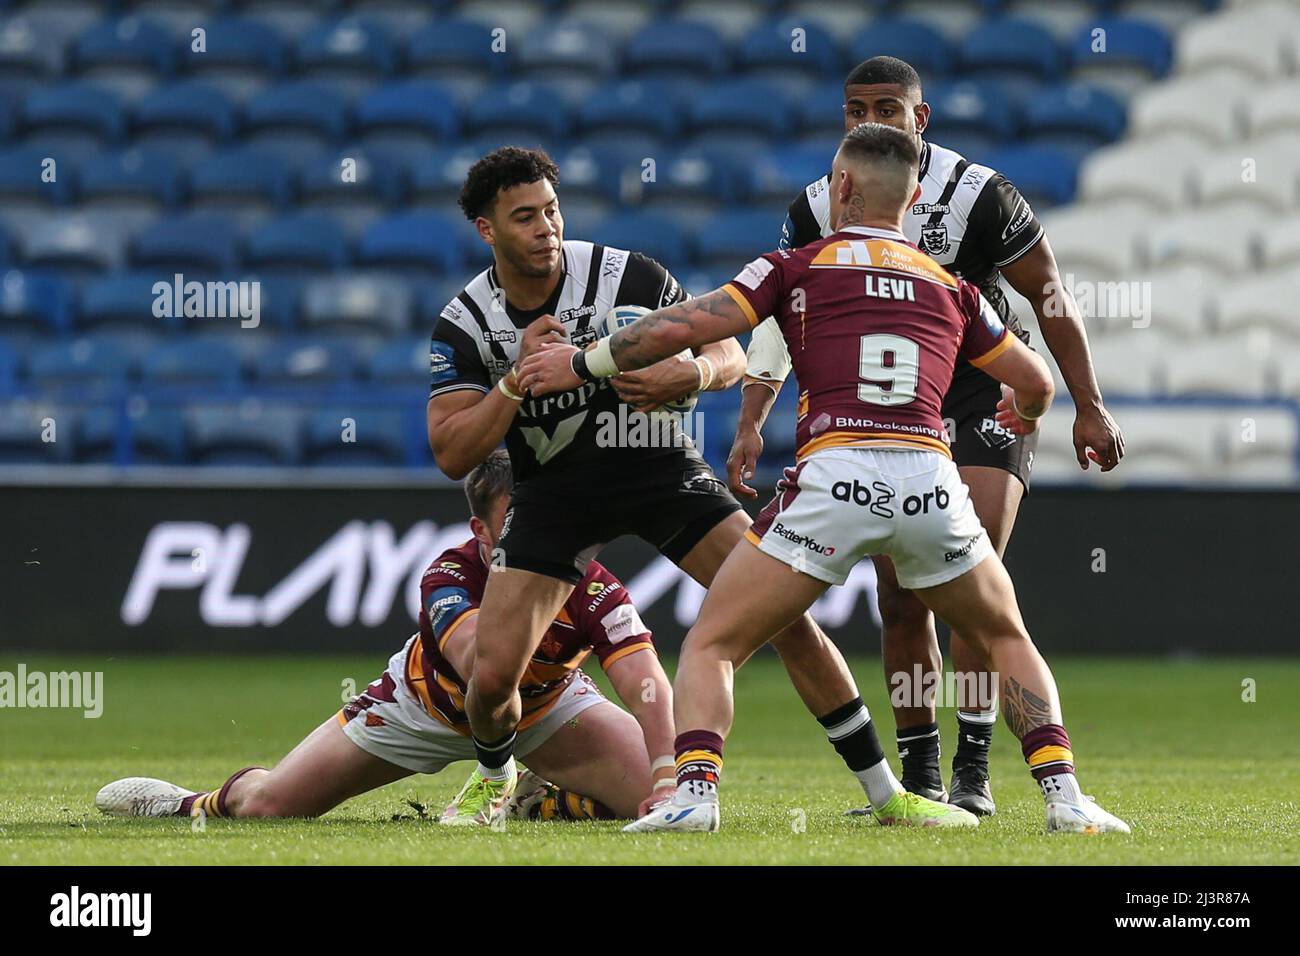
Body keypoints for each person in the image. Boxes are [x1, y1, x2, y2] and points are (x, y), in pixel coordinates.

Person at [520, 123, 1130, 836]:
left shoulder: (796, 265)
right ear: (911, 199)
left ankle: (696, 794)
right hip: (932, 481)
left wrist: (585, 362)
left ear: (842, 187)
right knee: (1003, 632)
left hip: (836, 478)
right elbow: (1034, 381)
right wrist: (1023, 411)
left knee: (715, 642)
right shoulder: (952, 286)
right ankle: (1064, 799)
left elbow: (678, 328)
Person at [429, 146, 954, 828]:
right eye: (524, 217)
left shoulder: (625, 274)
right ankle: (497, 777)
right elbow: (450, 449)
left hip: (660, 471)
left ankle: (887, 794)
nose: (545, 229)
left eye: (551, 211)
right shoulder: (467, 321)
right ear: (487, 230)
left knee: (786, 619)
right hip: (554, 492)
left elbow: (728, 348)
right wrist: (512, 380)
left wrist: (695, 376)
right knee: (493, 677)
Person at [727, 56, 1125, 815]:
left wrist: (1088, 403)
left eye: (887, 106)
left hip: (985, 388)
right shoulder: (820, 203)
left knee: (969, 584)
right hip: (884, 397)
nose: (870, 120)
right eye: (855, 109)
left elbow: (1048, 297)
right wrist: (752, 419)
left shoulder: (981, 195)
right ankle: (923, 780)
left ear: (922, 117)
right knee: (901, 599)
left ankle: (974, 772)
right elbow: (779, 313)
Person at [95, 451, 677, 823]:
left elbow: (645, 679)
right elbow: (482, 670)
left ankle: (540, 799)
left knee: (654, 807)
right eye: (516, 517)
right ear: (481, 530)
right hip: (422, 707)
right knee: (270, 809)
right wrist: (526, 593)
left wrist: (664, 774)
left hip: (547, 708)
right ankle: (186, 803)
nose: (537, 528)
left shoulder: (594, 584)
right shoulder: (449, 574)